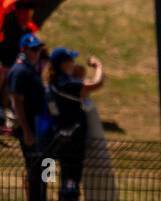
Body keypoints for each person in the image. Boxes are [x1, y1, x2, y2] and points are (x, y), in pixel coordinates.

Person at [45, 46, 104, 187]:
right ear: (63, 64)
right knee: (71, 174)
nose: (74, 62)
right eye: (71, 59)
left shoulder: (59, 80)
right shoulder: (65, 83)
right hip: (72, 137)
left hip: (61, 133)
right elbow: (96, 84)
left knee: (53, 169)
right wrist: (98, 66)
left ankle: (49, 200)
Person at [5, 31, 45, 162]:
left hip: (39, 124)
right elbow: (17, 102)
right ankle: (38, 182)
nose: (37, 53)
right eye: (34, 49)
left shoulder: (30, 69)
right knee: (35, 164)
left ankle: (47, 181)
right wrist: (26, 131)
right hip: (29, 125)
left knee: (46, 158)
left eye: (39, 49)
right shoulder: (19, 71)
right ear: (24, 50)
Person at [0, 0, 38, 128]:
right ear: (18, 13)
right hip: (7, 63)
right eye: (23, 12)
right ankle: (4, 109)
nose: (26, 15)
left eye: (28, 12)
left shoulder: (28, 29)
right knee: (5, 78)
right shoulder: (11, 23)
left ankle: (9, 111)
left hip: (19, 65)